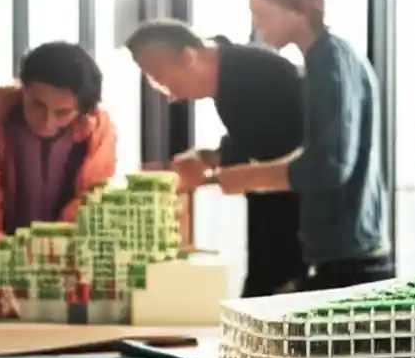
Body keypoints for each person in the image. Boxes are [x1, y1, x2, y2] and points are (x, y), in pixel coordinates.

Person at [197, 0, 392, 292]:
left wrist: (247, 177)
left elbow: (329, 165)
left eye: (262, 14)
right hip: (347, 251)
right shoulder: (328, 58)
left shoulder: (330, 60)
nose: (258, 26)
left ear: (299, 7)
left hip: (353, 258)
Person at [125, 19, 307, 297]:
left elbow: (270, 160)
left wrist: (204, 175)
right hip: (280, 222)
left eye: (161, 79)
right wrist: (205, 158)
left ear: (188, 56)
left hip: (306, 227)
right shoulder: (237, 73)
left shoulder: (252, 75)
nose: (169, 95)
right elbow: (252, 143)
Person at [0, 41, 116, 317]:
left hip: (64, 280)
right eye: (37, 105)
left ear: (84, 111)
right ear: (22, 88)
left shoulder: (98, 135)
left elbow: (87, 212)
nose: (46, 121)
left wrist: (54, 275)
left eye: (62, 113)